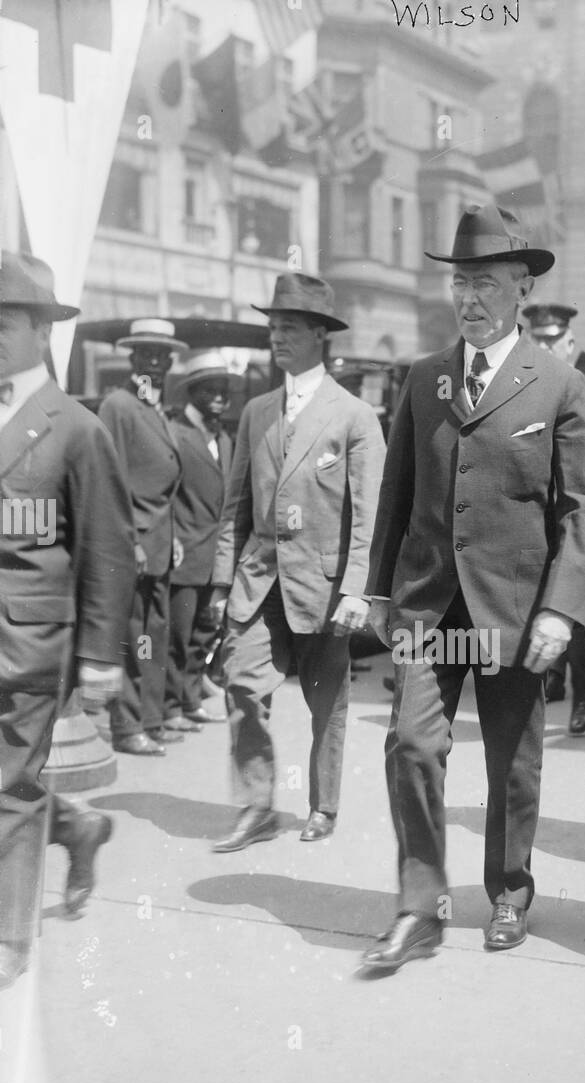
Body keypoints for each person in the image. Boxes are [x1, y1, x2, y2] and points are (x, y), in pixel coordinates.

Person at [361, 204, 585, 971]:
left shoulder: (559, 386)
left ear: (521, 288)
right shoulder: (424, 377)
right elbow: (396, 490)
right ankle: (420, 903)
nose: (469, 298)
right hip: (430, 605)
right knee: (410, 744)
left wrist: (561, 610)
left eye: (486, 283)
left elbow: (580, 512)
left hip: (515, 609)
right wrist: (375, 592)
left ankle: (507, 890)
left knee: (513, 760)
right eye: (460, 282)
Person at [210, 274, 385, 851]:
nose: (276, 337)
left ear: (319, 335)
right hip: (258, 581)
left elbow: (368, 516)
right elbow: (235, 506)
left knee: (325, 703)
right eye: (273, 327)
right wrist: (220, 581)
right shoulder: (258, 411)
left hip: (324, 588)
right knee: (241, 684)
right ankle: (256, 805)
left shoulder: (354, 416)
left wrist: (357, 591)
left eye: (288, 328)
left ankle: (323, 805)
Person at [0, 252, 134, 987]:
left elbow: (107, 549)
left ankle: (10, 936)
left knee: (10, 784)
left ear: (40, 331)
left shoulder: (74, 427)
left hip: (27, 641)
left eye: (8, 321)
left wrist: (100, 655)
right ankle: (79, 826)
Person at [522, 301, 585, 735]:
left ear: (570, 342)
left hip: (583, 525)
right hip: (537, 526)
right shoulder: (523, 388)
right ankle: (547, 685)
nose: (544, 346)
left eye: (552, 339)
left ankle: (583, 697)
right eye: (537, 338)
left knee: (577, 623)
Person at [99, 319, 185, 755]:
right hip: (133, 543)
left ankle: (150, 719)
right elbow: (109, 480)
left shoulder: (155, 408)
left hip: (159, 544)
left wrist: (172, 536)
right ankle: (127, 725)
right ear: (132, 358)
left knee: (154, 635)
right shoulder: (119, 405)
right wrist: (126, 538)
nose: (156, 360)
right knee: (134, 638)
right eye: (147, 353)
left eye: (163, 354)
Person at [163, 350, 235, 732]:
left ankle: (190, 699)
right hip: (184, 553)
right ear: (193, 391)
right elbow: (164, 494)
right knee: (177, 633)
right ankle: (169, 706)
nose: (221, 397)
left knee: (204, 633)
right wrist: (171, 536)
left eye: (224, 390)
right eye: (212, 390)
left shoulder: (224, 437)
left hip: (216, 557)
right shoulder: (175, 433)